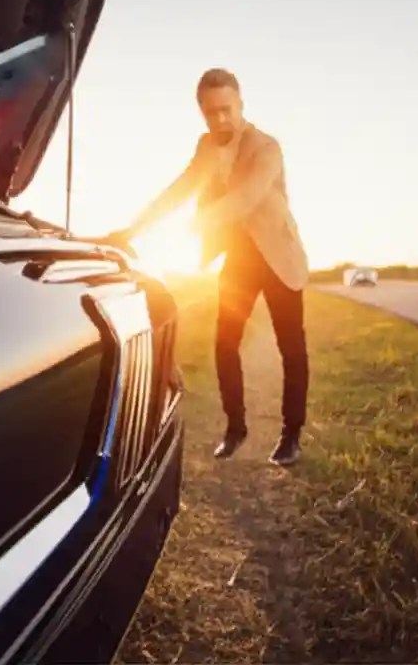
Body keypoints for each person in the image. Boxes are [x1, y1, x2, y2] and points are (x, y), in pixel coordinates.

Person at [106, 68, 310, 466]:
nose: (220, 120)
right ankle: (235, 429)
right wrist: (135, 228)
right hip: (241, 256)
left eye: (226, 110)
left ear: (241, 105)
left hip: (279, 256)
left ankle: (292, 436)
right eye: (211, 112)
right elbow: (180, 189)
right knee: (224, 343)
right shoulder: (204, 147)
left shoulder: (266, 147)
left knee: (292, 349)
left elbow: (246, 199)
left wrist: (191, 228)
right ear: (202, 113)